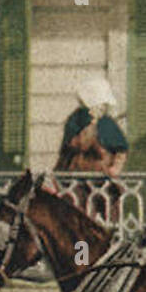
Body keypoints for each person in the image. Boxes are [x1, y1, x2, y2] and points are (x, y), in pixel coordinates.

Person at [56, 75, 130, 225]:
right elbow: (74, 147)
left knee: (105, 225)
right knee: (77, 225)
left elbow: (121, 150)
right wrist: (90, 126)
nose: (102, 108)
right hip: (76, 184)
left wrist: (115, 168)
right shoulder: (75, 121)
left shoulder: (107, 124)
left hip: (102, 183)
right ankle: (80, 249)